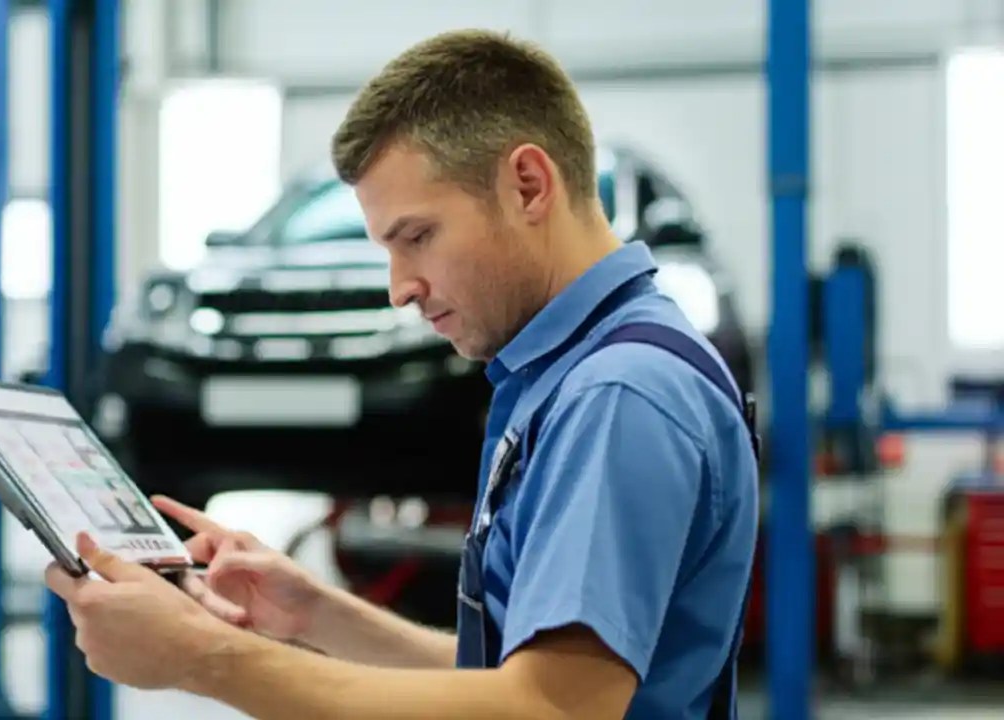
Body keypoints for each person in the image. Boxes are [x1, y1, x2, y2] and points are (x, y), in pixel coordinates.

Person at [46, 28, 760, 719]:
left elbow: (550, 709)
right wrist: (313, 613)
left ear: (530, 185)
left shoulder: (618, 395)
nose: (400, 288)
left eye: (417, 237)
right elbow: (512, 679)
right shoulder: (573, 374)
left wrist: (203, 658)